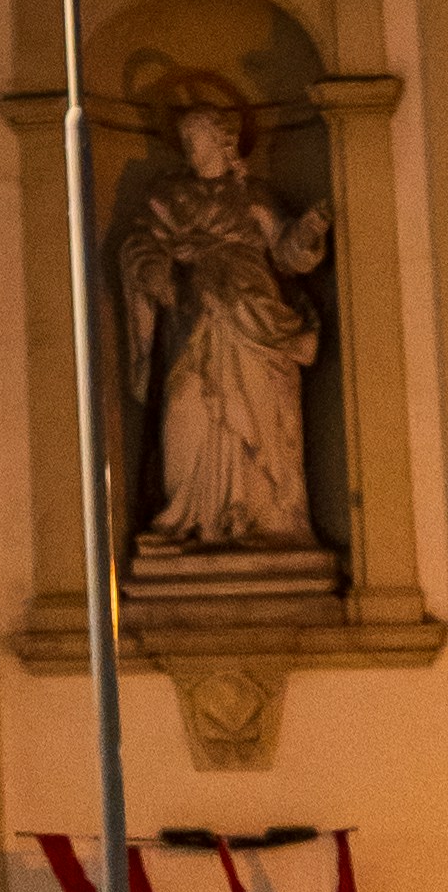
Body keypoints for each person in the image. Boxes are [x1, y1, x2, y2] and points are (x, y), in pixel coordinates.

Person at [118, 86, 333, 548]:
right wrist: (153, 268)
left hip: (254, 319)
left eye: (196, 134)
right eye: (184, 137)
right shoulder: (168, 198)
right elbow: (138, 246)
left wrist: (310, 232)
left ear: (223, 140)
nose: (189, 145)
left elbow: (287, 255)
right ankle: (191, 518)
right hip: (192, 319)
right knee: (183, 405)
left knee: (259, 412)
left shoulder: (253, 197)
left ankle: (262, 517)